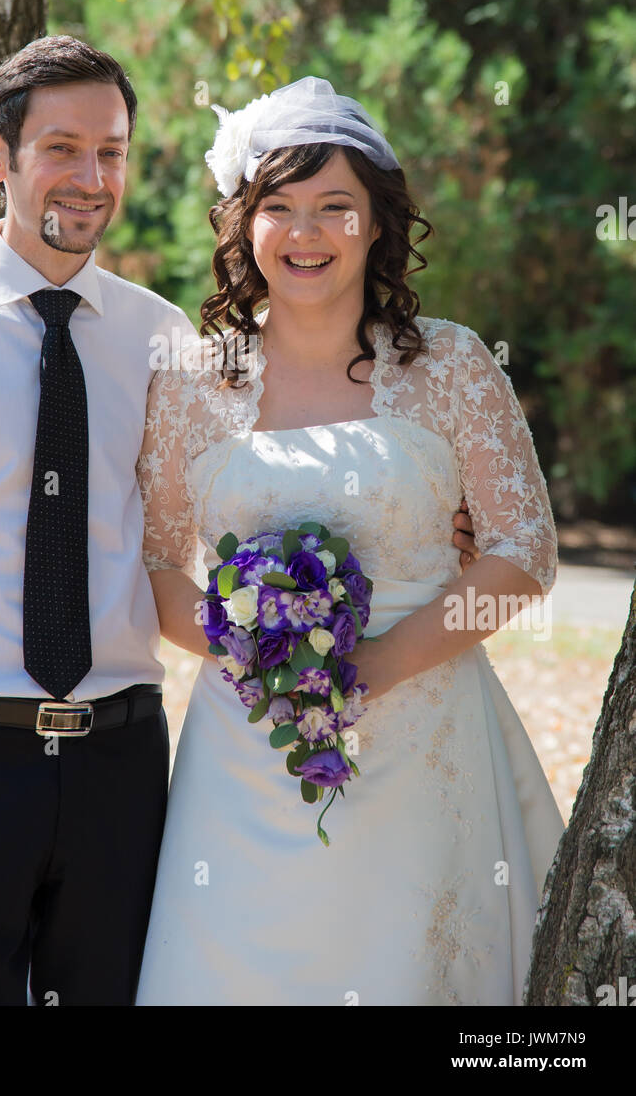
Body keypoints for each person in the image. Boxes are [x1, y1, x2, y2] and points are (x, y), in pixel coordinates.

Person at [0, 42, 480, 1007]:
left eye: (112, 153)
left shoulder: (166, 343)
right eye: (63, 149)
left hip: (120, 770)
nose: (91, 179)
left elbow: (222, 517)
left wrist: (433, 523)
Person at [134, 76, 565, 1006]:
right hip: (246, 747)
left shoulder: (449, 363)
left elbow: (522, 552)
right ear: (242, 225)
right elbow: (160, 563)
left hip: (426, 744)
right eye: (279, 208)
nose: (306, 233)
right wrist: (269, 666)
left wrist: (359, 671)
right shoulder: (190, 380)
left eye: (336, 208)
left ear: (377, 224)